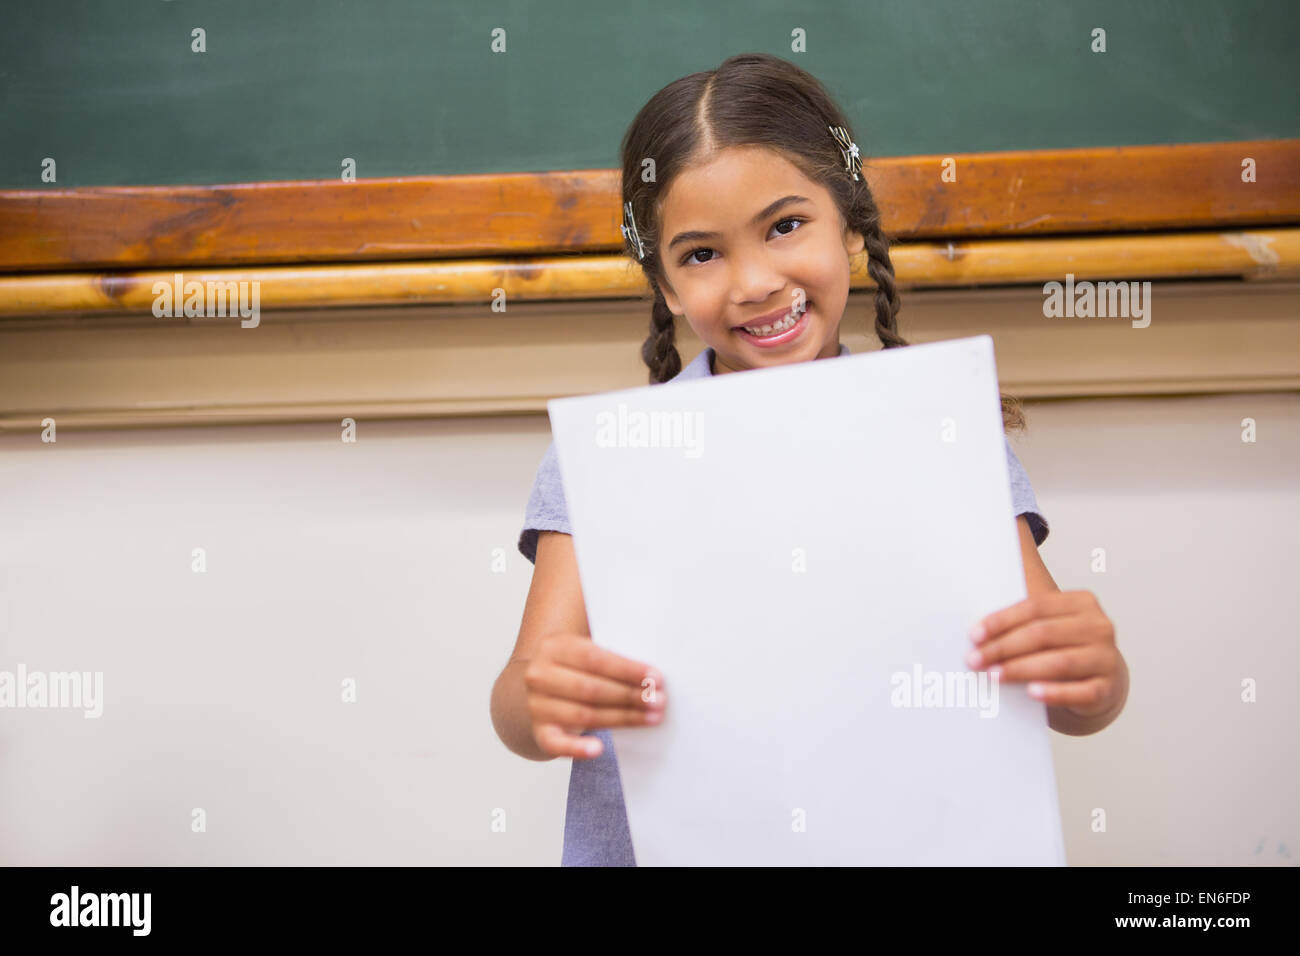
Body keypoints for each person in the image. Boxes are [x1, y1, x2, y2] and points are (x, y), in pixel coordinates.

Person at [490, 52, 1129, 866]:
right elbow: (519, 704)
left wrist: (1097, 675)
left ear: (851, 224)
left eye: (785, 226)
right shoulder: (610, 464)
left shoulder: (941, 433)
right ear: (664, 284)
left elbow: (1071, 703)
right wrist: (544, 698)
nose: (754, 282)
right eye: (700, 255)